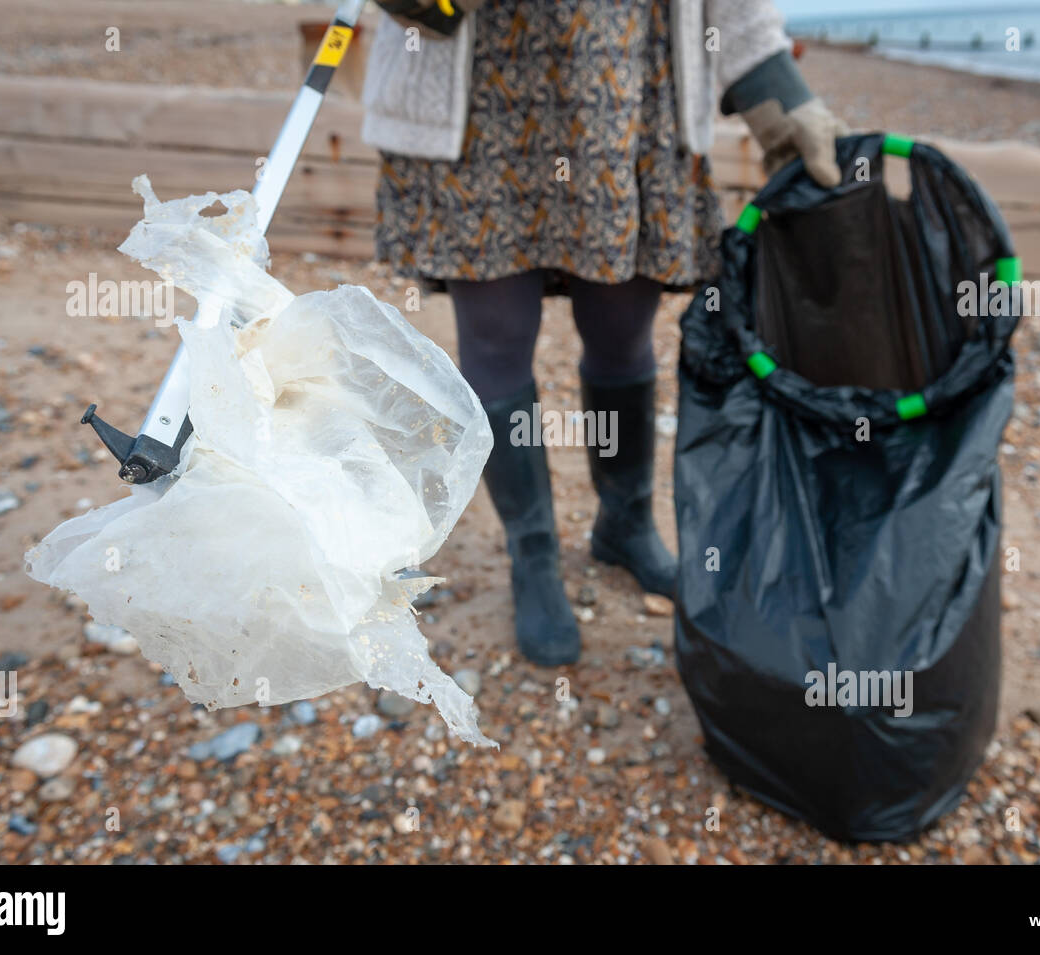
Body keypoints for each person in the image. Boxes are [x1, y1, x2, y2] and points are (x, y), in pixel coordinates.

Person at [359, 0, 845, 665]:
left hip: (632, 96)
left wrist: (780, 97)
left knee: (622, 330)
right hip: (482, 97)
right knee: (497, 340)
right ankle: (533, 555)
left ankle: (627, 522)